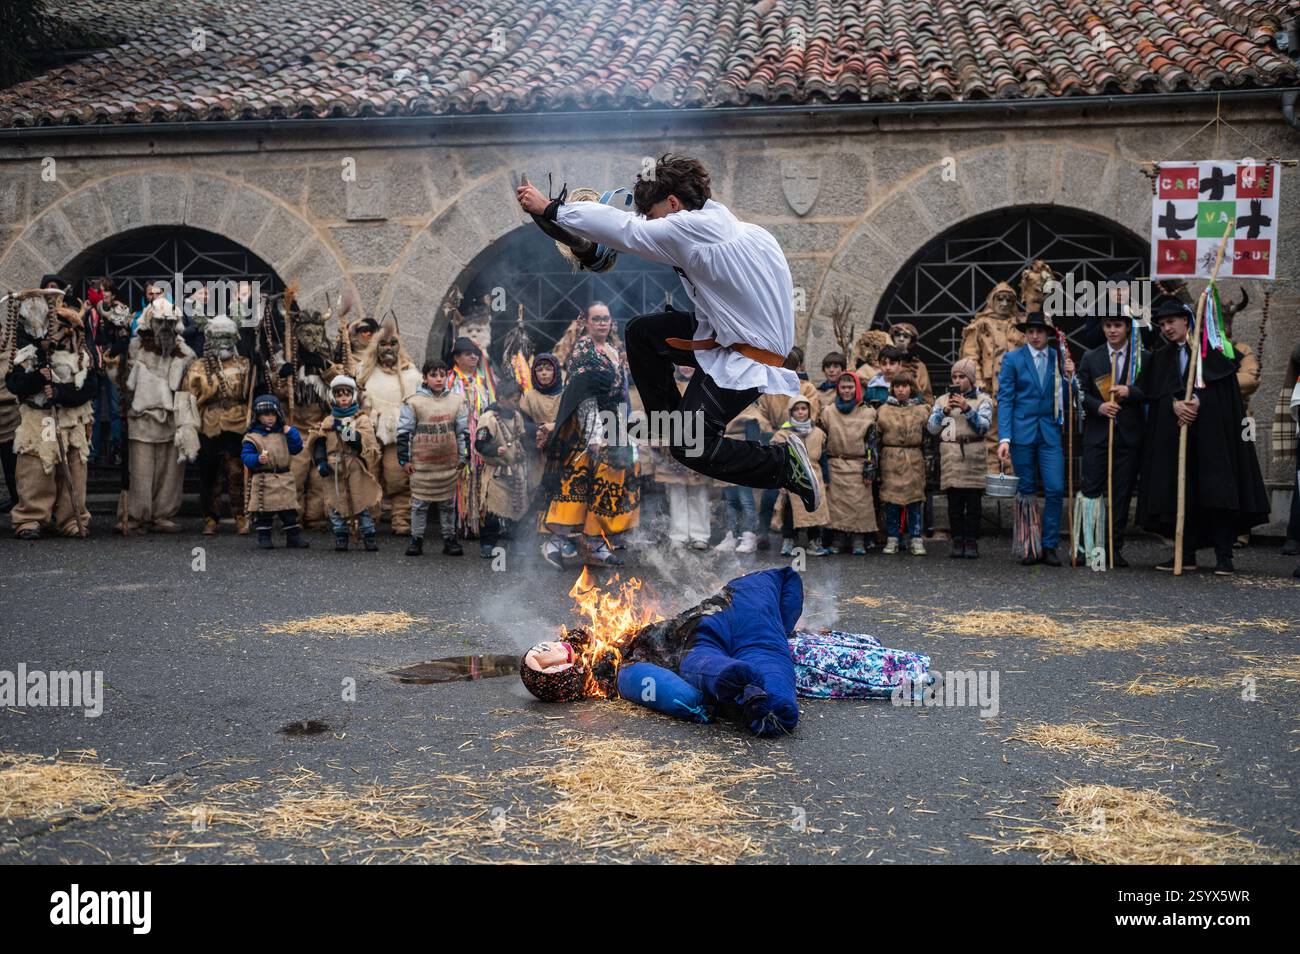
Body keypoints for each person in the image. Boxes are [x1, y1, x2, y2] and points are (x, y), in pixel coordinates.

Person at [515, 155, 822, 514]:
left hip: (747, 354)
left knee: (692, 446)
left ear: (673, 203)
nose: (650, 224)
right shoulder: (726, 225)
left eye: (653, 214)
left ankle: (783, 464)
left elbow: (627, 229)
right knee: (642, 333)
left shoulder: (696, 228)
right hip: (729, 334)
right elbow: (634, 230)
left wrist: (551, 209)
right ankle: (669, 425)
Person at [520, 566, 932, 731]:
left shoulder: (607, 655)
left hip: (704, 632)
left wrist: (780, 629)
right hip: (719, 621)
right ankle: (762, 700)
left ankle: (759, 702)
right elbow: (785, 580)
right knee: (767, 660)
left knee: (747, 663)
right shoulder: (612, 668)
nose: (550, 646)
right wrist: (783, 625)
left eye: (544, 647)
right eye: (546, 656)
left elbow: (677, 689)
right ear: (560, 675)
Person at [1136, 299, 1270, 575]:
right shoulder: (1162, 357)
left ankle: (1224, 557)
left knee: (1217, 494)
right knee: (1181, 494)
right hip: (1176, 441)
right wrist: (1174, 404)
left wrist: (1198, 402)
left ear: (1186, 320)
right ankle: (1185, 555)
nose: (1167, 328)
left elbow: (1227, 396)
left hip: (1212, 440)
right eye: (1162, 324)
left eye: (1171, 321)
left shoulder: (1213, 355)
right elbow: (1155, 392)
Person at [538, 309, 640, 568]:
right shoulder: (584, 351)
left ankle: (594, 544)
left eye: (606, 318)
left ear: (611, 323)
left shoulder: (614, 352)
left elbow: (620, 396)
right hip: (587, 430)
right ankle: (556, 542)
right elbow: (585, 396)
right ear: (586, 323)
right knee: (578, 486)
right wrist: (594, 435)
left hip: (614, 426)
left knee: (606, 488)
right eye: (597, 318)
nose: (602, 323)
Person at [6, 291, 100, 539]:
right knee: (39, 468)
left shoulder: (82, 358)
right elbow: (15, 383)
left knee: (74, 470)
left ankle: (71, 518)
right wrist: (38, 378)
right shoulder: (30, 355)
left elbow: (91, 388)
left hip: (73, 420)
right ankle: (31, 517)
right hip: (42, 420)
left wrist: (60, 392)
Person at [997, 311, 1074, 567]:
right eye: (1030, 331)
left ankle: (1050, 544)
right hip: (1021, 432)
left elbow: (1067, 397)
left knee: (1054, 488)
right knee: (1027, 490)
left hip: (1050, 431)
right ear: (1025, 333)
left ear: (1047, 334)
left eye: (1039, 331)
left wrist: (1070, 378)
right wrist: (1004, 437)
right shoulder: (1013, 359)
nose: (1035, 335)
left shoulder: (1058, 357)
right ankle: (1030, 545)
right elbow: (1005, 399)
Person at [1073, 313, 1149, 567]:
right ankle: (1086, 547)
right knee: (1091, 492)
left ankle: (1113, 548)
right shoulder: (1091, 357)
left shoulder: (1142, 357)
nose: (1112, 330)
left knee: (1120, 495)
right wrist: (1099, 407)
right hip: (1098, 435)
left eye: (1117, 325)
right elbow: (1080, 392)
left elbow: (1151, 389)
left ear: (1127, 327)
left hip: (1128, 436)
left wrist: (1131, 391)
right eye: (1108, 326)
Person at [121, 296, 199, 533]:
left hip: (171, 419)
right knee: (140, 471)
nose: (163, 328)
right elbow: (124, 381)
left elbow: (189, 389)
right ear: (149, 322)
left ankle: (162, 514)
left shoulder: (185, 353)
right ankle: (135, 515)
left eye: (168, 323)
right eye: (158, 322)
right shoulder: (134, 347)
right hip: (141, 419)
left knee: (170, 473)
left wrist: (187, 427)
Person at [184, 315, 253, 535]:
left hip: (238, 423)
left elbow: (252, 390)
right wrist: (186, 429)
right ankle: (210, 517)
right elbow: (186, 398)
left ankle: (241, 516)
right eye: (218, 338)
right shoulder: (197, 366)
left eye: (227, 338)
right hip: (208, 424)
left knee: (236, 472)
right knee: (209, 473)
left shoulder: (245, 365)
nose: (223, 343)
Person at [356, 315, 422, 536]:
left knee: (397, 477)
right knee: (369, 474)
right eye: (383, 344)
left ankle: (401, 520)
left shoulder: (411, 374)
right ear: (376, 346)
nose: (388, 348)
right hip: (371, 433)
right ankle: (370, 520)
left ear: (399, 346)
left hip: (398, 433)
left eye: (392, 343)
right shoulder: (364, 371)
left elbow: (418, 404)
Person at [397, 358, 469, 557]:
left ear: (447, 376)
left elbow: (462, 432)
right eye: (433, 375)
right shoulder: (414, 402)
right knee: (420, 504)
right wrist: (404, 460)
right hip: (421, 466)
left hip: (448, 465)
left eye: (442, 375)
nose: (438, 379)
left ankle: (449, 540)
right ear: (425, 377)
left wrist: (464, 457)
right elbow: (404, 432)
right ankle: (417, 540)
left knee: (447, 504)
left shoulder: (456, 401)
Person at [926, 358, 992, 558]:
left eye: (962, 377)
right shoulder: (942, 400)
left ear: (971, 379)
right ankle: (957, 539)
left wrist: (967, 409)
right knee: (954, 503)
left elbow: (984, 426)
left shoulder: (984, 401)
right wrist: (944, 411)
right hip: (952, 456)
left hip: (973, 455)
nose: (957, 380)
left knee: (973, 503)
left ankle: (971, 541)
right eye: (954, 376)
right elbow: (932, 428)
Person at [312, 374, 382, 552]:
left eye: (347, 395)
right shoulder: (328, 421)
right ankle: (341, 535)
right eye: (339, 395)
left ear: (353, 396)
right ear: (333, 398)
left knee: (361, 502)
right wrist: (320, 461)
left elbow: (362, 444)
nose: (343, 399)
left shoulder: (361, 419)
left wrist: (344, 430)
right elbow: (319, 442)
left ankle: (368, 535)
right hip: (333, 465)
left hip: (354, 465)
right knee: (336, 503)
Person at [962, 281, 1026, 472]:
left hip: (1018, 387)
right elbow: (971, 356)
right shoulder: (980, 325)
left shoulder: (1020, 325)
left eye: (1009, 299)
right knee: (990, 431)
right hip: (989, 387)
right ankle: (992, 475)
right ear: (992, 300)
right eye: (1000, 298)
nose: (1005, 303)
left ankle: (1012, 474)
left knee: (1017, 432)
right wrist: (978, 382)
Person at [654, 366, 713, 550]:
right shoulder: (671, 385)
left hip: (699, 444)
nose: (686, 367)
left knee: (699, 493)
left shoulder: (706, 385)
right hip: (674, 447)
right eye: (682, 364)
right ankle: (678, 535)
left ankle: (700, 535)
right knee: (677, 492)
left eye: (689, 363)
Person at [819, 371, 878, 555]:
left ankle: (858, 538)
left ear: (857, 389)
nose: (846, 391)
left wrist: (869, 470)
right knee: (837, 507)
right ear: (838, 388)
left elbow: (871, 445)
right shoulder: (828, 411)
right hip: (836, 464)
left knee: (859, 505)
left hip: (858, 466)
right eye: (843, 387)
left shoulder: (867, 413)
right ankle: (838, 538)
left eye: (850, 387)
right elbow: (821, 441)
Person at [240, 394, 308, 549]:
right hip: (264, 478)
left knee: (289, 511)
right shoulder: (253, 437)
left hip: (284, 477)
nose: (270, 418)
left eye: (272, 414)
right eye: (265, 415)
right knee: (264, 512)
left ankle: (293, 537)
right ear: (258, 416)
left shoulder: (283, 433)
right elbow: (245, 456)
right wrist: (256, 459)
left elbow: (296, 448)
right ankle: (264, 538)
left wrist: (292, 432)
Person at [474, 376, 530, 559]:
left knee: (517, 508)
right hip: (496, 473)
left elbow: (520, 438)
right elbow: (479, 444)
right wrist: (494, 450)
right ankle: (488, 544)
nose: (517, 403)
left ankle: (515, 544)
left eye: (518, 399)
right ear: (501, 399)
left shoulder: (517, 417)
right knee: (493, 510)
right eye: (514, 400)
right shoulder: (488, 419)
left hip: (514, 470)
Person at [877, 371, 931, 555]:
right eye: (897, 386)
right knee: (891, 501)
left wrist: (929, 460)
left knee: (914, 501)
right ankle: (893, 537)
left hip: (913, 458)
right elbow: (876, 438)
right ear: (892, 389)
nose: (901, 390)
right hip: (890, 459)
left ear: (911, 388)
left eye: (905, 386)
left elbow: (928, 438)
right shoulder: (883, 410)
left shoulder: (921, 410)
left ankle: (916, 538)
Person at [769, 395, 830, 555]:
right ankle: (789, 540)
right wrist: (779, 481)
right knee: (791, 511)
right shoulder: (783, 434)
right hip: (792, 478)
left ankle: (813, 542)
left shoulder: (818, 433)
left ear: (809, 411)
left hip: (815, 475)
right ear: (791, 412)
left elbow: (823, 457)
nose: (800, 412)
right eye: (796, 409)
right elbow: (775, 460)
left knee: (815, 510)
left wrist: (827, 478)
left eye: (803, 408)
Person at [447, 335, 494, 538]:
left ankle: (480, 520)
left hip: (481, 438)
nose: (473, 357)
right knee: (462, 475)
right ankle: (461, 522)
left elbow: (492, 407)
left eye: (475, 354)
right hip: (459, 436)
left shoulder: (485, 381)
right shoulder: (449, 380)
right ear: (457, 358)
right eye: (468, 354)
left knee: (480, 475)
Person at [713, 399, 765, 554]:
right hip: (725, 455)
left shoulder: (749, 410)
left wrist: (750, 461)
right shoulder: (722, 405)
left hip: (742, 457)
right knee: (730, 500)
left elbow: (753, 440)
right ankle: (732, 535)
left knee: (746, 500)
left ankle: (749, 535)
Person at [518, 352, 563, 502]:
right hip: (538, 454)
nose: (544, 373)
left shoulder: (566, 394)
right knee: (539, 496)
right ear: (534, 373)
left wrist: (555, 427)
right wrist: (538, 429)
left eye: (548, 369)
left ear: (556, 371)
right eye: (539, 370)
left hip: (564, 452)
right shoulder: (528, 397)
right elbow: (521, 424)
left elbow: (575, 421)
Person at [887, 322, 933, 400]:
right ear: (892, 338)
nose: (901, 339)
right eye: (898, 335)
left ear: (911, 341)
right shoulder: (885, 363)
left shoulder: (919, 366)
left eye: (906, 336)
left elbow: (927, 395)